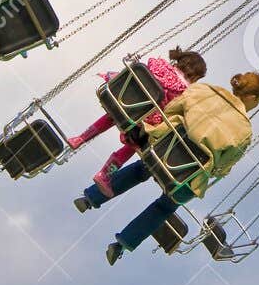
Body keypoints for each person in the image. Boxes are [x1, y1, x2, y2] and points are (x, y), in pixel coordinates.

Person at [74, 72, 259, 265]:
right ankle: (121, 244)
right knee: (166, 206)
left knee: (142, 168)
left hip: (162, 151)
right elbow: (223, 168)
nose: (256, 105)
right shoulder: (244, 130)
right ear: (252, 97)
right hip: (184, 176)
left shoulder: (204, 90)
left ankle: (90, 198)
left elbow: (171, 109)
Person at [67, 48, 208, 198]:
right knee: (138, 143)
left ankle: (80, 138)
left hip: (124, 99)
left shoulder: (159, 65)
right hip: (143, 120)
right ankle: (105, 174)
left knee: (115, 113)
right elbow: (172, 109)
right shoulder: (183, 91)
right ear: (194, 76)